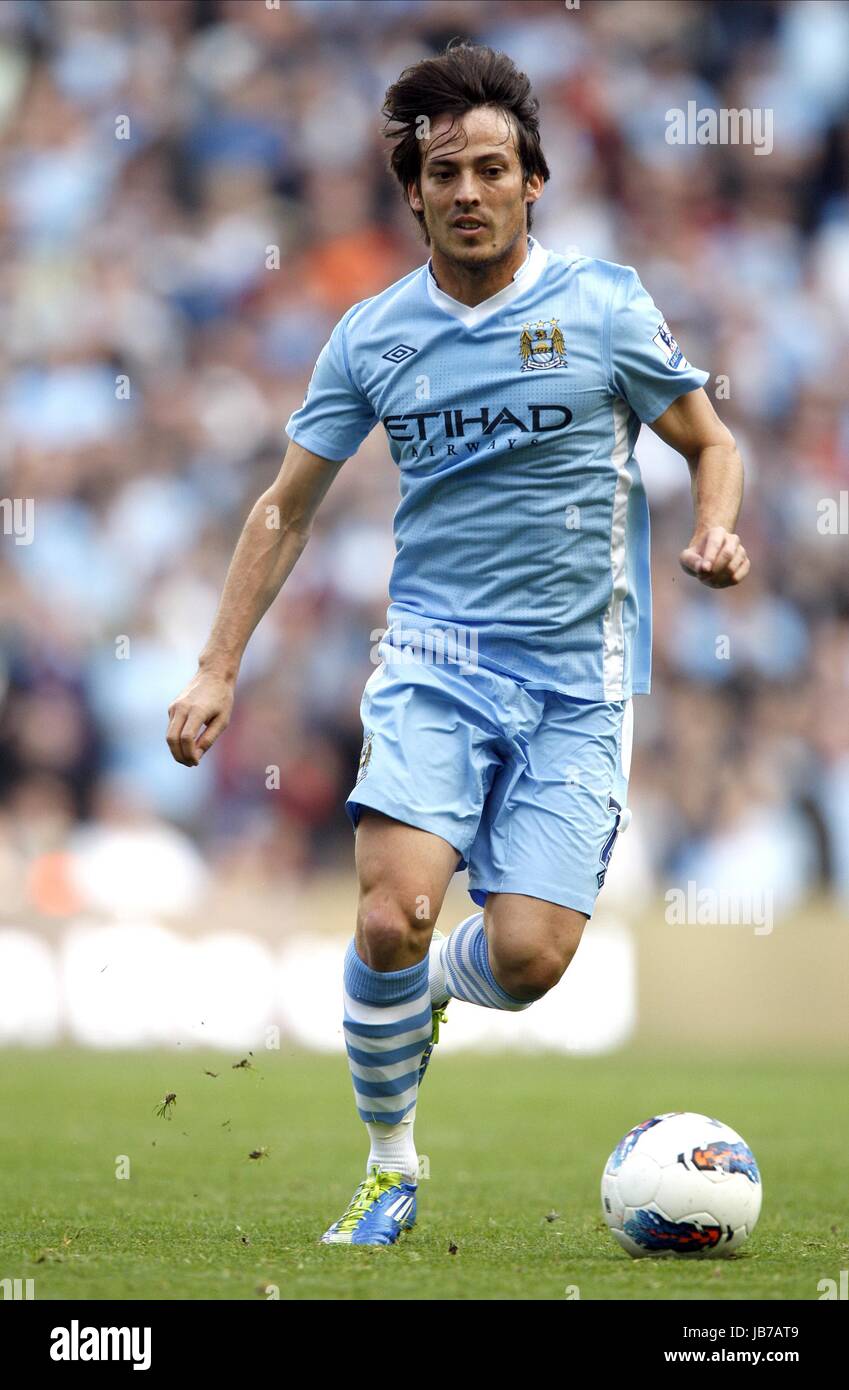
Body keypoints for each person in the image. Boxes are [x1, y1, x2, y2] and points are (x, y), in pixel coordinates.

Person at [166, 43, 749, 1246]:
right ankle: (389, 1166)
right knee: (390, 914)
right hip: (435, 658)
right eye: (447, 172)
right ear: (416, 194)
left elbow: (711, 441)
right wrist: (218, 663)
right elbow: (286, 505)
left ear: (533, 181)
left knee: (532, 960)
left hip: (582, 679)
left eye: (493, 167)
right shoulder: (373, 337)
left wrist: (720, 531)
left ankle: (415, 996)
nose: (471, 189)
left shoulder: (604, 305)